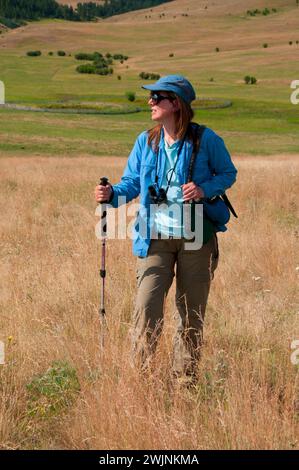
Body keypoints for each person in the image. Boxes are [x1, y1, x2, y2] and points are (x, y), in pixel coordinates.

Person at [95, 75, 237, 383]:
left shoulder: (205, 139)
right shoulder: (147, 141)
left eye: (157, 97)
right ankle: (140, 380)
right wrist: (112, 194)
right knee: (146, 308)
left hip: (196, 237)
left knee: (190, 313)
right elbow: (132, 182)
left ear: (176, 103)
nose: (150, 102)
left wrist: (203, 188)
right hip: (154, 237)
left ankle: (183, 382)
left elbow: (228, 173)